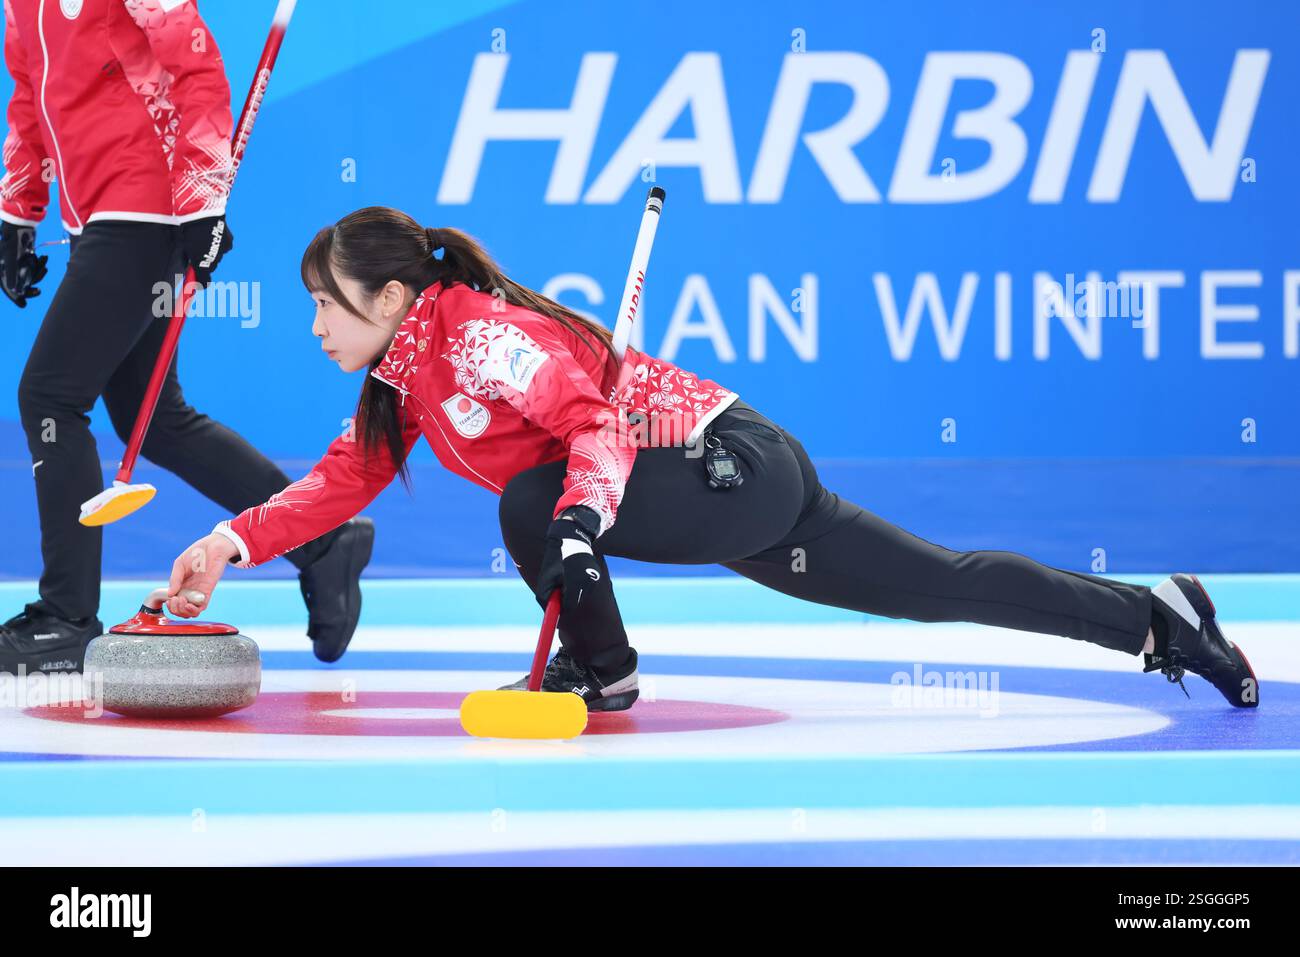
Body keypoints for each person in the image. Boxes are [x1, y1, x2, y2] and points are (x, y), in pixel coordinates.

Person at [163, 205, 1259, 713]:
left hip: (723, 462)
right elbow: (340, 482)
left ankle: (600, 668)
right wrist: (225, 539)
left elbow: (593, 433)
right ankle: (1159, 615)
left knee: (535, 499)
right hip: (712, 498)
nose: (312, 324)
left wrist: (581, 521)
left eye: (324, 302)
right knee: (939, 585)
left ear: (389, 296)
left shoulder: (484, 338)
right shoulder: (406, 376)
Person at [0, 0, 372, 674]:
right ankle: (323, 539)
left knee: (50, 397)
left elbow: (195, 65)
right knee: (157, 418)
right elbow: (30, 92)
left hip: (145, 207)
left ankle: (66, 616)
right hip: (97, 213)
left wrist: (203, 201)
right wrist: (18, 212)